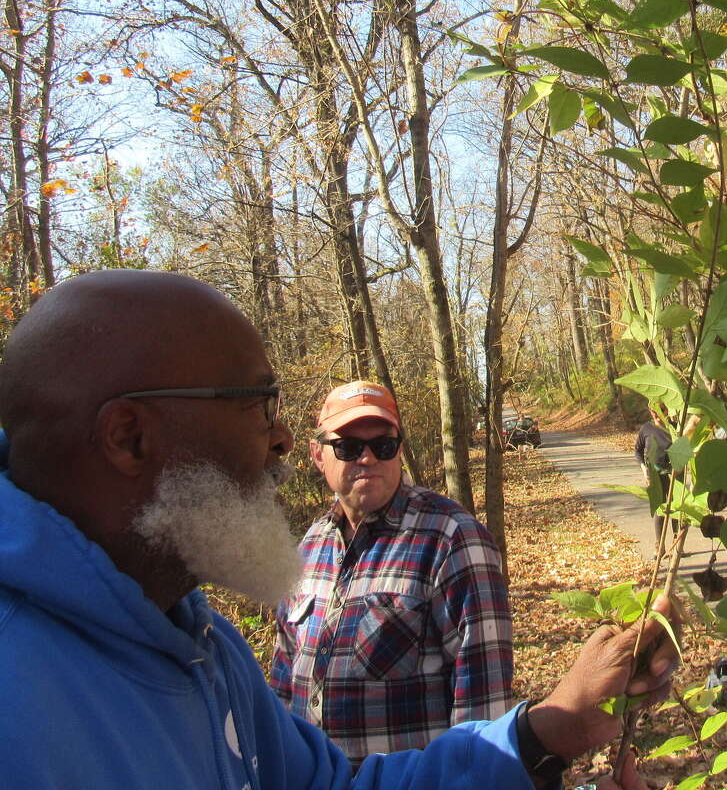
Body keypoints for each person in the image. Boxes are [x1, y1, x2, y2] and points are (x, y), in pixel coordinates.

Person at [0, 269, 676, 789]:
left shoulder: (198, 641)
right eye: (258, 404)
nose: (282, 439)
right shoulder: (22, 704)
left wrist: (547, 730)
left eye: (384, 443)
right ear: (131, 438)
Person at [270, 380, 514, 765]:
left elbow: (484, 717)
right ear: (318, 455)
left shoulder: (452, 539)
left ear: (399, 450)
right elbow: (283, 683)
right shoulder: (308, 548)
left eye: (383, 445)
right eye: (348, 447)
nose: (367, 458)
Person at [634, 405, 674, 540]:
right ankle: (659, 545)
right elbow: (638, 451)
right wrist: (644, 469)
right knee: (659, 508)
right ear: (650, 411)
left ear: (667, 410)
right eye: (654, 411)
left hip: (673, 473)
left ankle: (677, 542)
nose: (657, 414)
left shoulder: (674, 428)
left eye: (661, 410)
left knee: (675, 507)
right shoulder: (646, 428)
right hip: (655, 474)